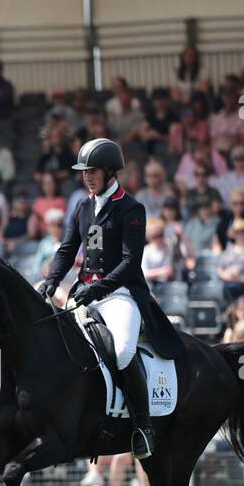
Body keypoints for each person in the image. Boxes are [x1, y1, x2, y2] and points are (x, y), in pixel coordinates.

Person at [35, 137, 184, 458]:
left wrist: (98, 288)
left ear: (110, 172)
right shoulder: (82, 207)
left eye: (93, 171)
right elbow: (66, 250)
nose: (87, 177)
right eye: (84, 171)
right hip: (85, 293)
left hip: (120, 295)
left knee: (121, 350)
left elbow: (131, 263)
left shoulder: (131, 209)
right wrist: (51, 281)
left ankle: (142, 426)